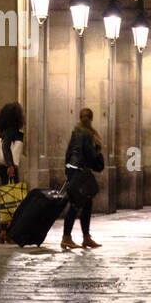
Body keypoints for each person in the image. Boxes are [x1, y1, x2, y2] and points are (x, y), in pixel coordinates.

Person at [61, 107, 105, 250]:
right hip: (80, 171)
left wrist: (67, 170)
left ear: (80, 118)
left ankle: (86, 237)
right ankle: (66, 238)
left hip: (73, 170)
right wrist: (98, 148)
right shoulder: (87, 134)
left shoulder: (76, 132)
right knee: (76, 204)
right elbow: (91, 155)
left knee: (86, 203)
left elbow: (68, 153)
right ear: (91, 119)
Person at [0, 102, 25, 185]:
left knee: (8, 189)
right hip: (8, 166)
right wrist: (10, 165)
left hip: (4, 166)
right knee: (13, 190)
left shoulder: (5, 130)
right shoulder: (10, 130)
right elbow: (5, 147)